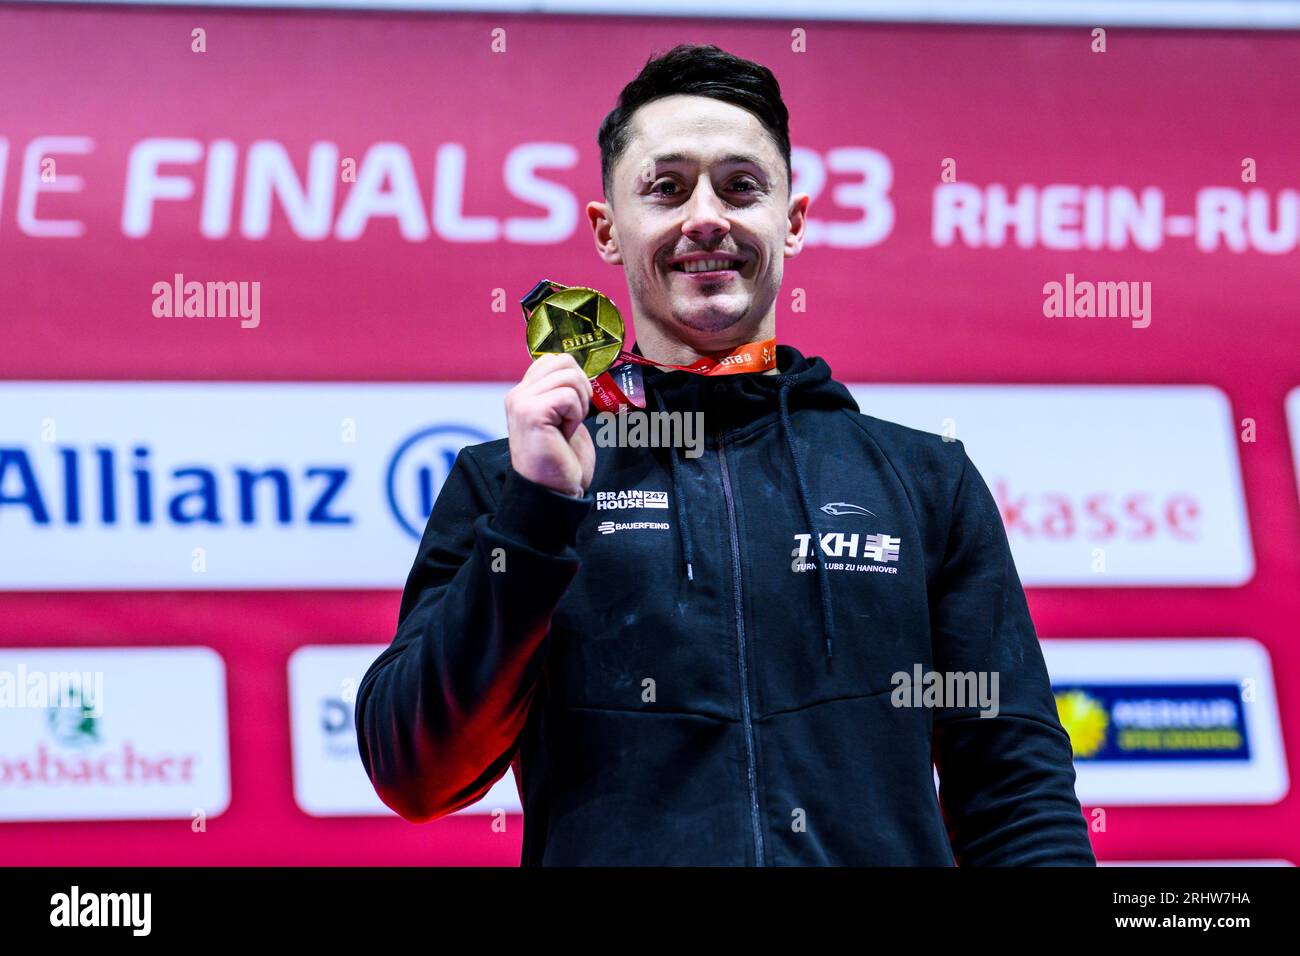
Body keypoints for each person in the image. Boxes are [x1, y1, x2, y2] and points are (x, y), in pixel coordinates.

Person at [355, 43, 1096, 866]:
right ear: (608, 230)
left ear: (793, 220)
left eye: (741, 187)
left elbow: (1015, 790)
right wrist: (536, 516)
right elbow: (415, 772)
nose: (705, 216)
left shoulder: (923, 483)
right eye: (665, 188)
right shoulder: (514, 481)